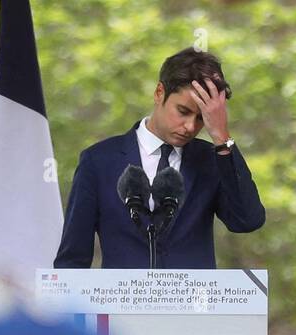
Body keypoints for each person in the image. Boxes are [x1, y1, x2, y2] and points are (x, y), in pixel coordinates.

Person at [53, 47, 265, 269]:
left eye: (202, 118)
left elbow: (247, 221)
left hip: (193, 302)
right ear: (159, 93)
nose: (190, 126)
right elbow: (72, 258)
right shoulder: (98, 161)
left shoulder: (213, 160)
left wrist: (222, 137)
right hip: (119, 302)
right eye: (183, 111)